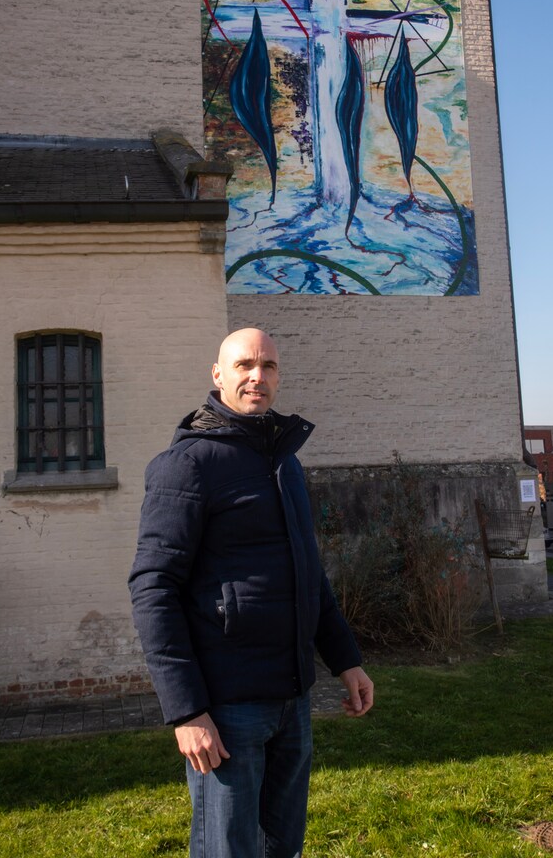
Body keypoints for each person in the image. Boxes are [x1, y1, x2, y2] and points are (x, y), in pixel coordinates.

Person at [128, 327, 373, 858]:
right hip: (226, 707)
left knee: (282, 846)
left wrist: (345, 660)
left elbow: (307, 573)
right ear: (218, 375)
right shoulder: (187, 465)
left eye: (268, 366)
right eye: (243, 365)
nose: (257, 377)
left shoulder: (285, 463)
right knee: (229, 850)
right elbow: (153, 588)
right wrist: (186, 711)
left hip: (292, 698)